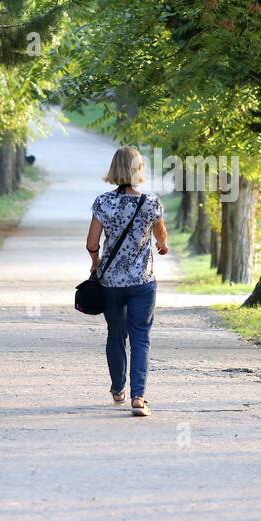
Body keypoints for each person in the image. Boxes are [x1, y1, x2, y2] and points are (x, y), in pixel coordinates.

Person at [85, 146, 169, 416]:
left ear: (114, 168)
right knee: (141, 337)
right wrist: (162, 245)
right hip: (142, 282)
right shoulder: (151, 203)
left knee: (116, 333)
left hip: (111, 284)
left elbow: (91, 242)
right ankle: (139, 397)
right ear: (138, 170)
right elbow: (161, 236)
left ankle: (118, 388)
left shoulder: (103, 203)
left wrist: (96, 263)